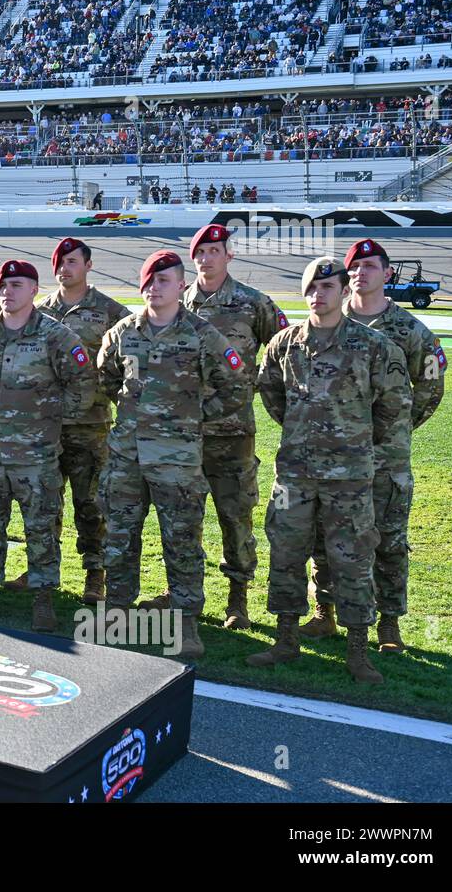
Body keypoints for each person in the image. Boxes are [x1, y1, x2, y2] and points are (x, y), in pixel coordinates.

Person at [252, 256, 410, 684]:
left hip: (350, 477)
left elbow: (393, 406)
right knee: (285, 554)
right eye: (311, 288)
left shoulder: (373, 347)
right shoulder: (284, 344)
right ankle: (286, 641)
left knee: (353, 560)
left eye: (326, 287)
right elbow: (271, 396)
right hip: (294, 476)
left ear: (343, 292)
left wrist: (353, 440)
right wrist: (303, 433)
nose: (317, 295)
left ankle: (357, 652)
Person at [96, 250, 250, 658]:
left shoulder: (202, 335)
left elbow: (235, 385)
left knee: (182, 542)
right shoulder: (122, 333)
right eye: (149, 280)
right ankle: (117, 616)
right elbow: (106, 378)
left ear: (181, 286)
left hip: (178, 462)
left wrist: (195, 420)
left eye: (164, 280)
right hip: (126, 458)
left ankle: (185, 625)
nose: (154, 287)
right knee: (120, 539)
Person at [304, 239, 446, 652]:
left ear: (387, 274)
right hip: (329, 457)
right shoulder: (324, 319)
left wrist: (390, 430)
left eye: (370, 266)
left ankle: (389, 624)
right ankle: (324, 613)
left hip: (385, 460)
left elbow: (430, 388)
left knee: (388, 541)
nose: (362, 273)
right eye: (355, 267)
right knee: (325, 536)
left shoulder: (410, 331)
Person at [0, 260, 95, 629]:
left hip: (35, 459)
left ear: (34, 290)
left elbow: (81, 383)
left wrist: (53, 420)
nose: (7, 293)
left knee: (41, 528)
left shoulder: (56, 337)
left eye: (16, 285)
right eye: (3, 286)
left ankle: (43, 599)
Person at [171, 223, 288, 630]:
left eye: (215, 250)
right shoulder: (176, 302)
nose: (207, 258)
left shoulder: (254, 304)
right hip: (183, 434)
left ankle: (238, 599)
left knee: (235, 518)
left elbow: (284, 353)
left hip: (234, 433)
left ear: (229, 255)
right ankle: (186, 596)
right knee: (182, 518)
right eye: (200, 251)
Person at [38, 237, 129, 602]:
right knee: (43, 503)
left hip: (90, 426)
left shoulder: (110, 312)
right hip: (45, 425)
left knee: (91, 504)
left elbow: (131, 355)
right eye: (60, 261)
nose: (65, 268)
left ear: (88, 266)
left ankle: (95, 575)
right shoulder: (39, 310)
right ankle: (43, 571)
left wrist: (111, 397)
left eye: (72, 261)